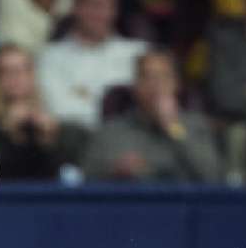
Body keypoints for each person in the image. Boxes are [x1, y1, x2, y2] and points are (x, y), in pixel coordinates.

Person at [82, 48, 222, 183]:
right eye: (147, 77)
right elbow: (85, 180)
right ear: (135, 86)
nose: (155, 85)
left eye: (163, 77)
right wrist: (114, 172)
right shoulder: (111, 131)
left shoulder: (197, 127)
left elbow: (213, 177)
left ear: (176, 84)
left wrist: (173, 127)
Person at [36, 0, 148, 131]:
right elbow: (59, 111)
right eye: (94, 4)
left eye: (108, 4)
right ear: (76, 7)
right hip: (77, 144)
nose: (101, 12)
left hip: (134, 142)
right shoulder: (50, 57)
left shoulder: (139, 54)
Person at [0, 44, 85, 180]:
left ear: (32, 75)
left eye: (22, 70)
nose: (15, 77)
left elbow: (66, 173)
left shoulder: (47, 117)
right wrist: (6, 131)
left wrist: (49, 141)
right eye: (7, 71)